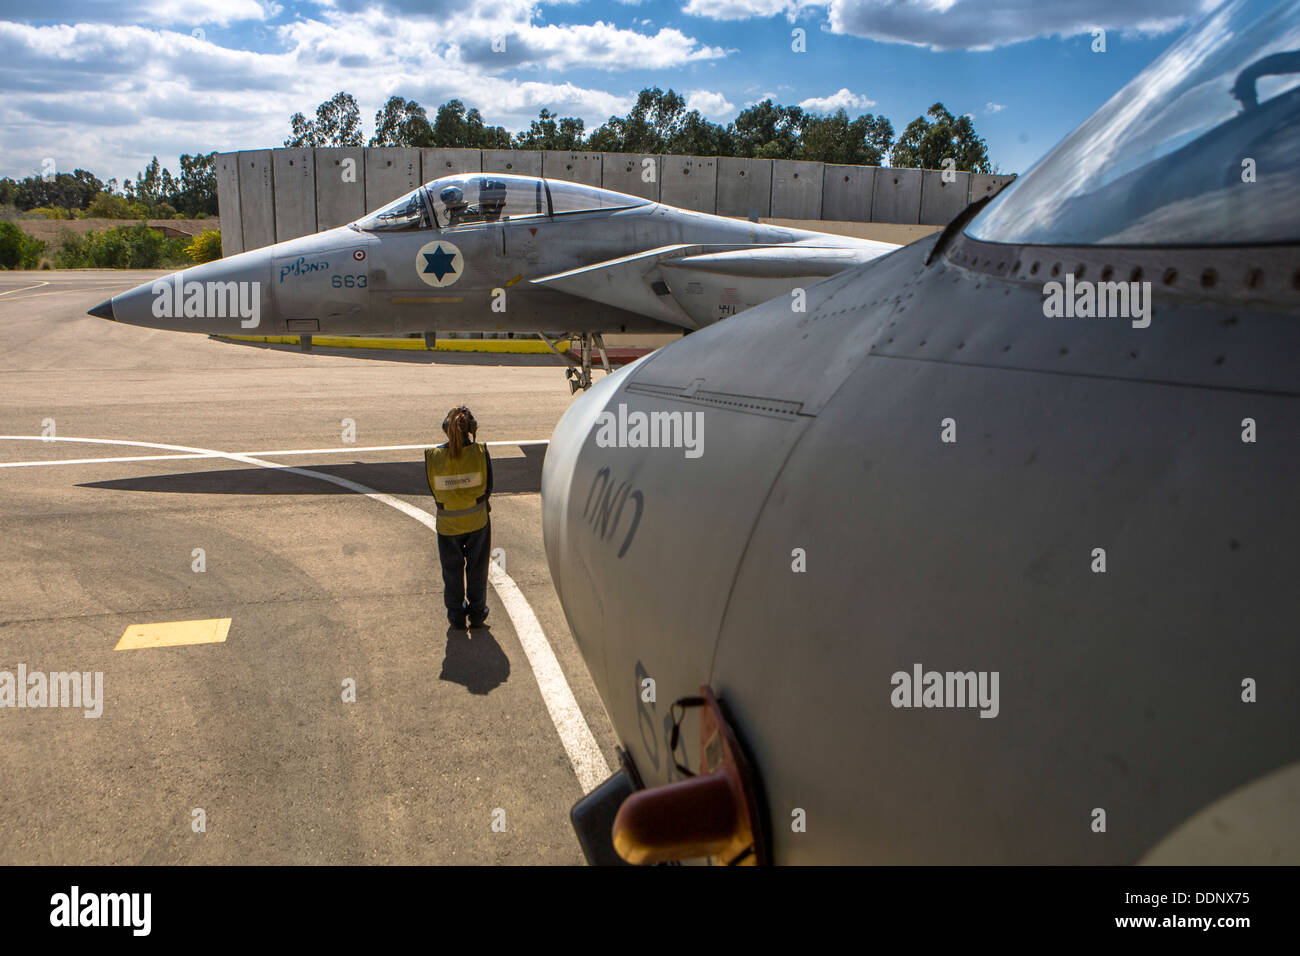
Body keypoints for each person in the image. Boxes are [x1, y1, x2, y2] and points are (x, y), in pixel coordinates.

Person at [425, 406, 493, 629]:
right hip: (477, 522)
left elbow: (434, 491)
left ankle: (456, 614)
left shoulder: (434, 456)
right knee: (477, 568)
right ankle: (477, 612)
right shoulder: (480, 452)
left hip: (448, 525)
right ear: (472, 429)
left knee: (452, 571)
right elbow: (488, 487)